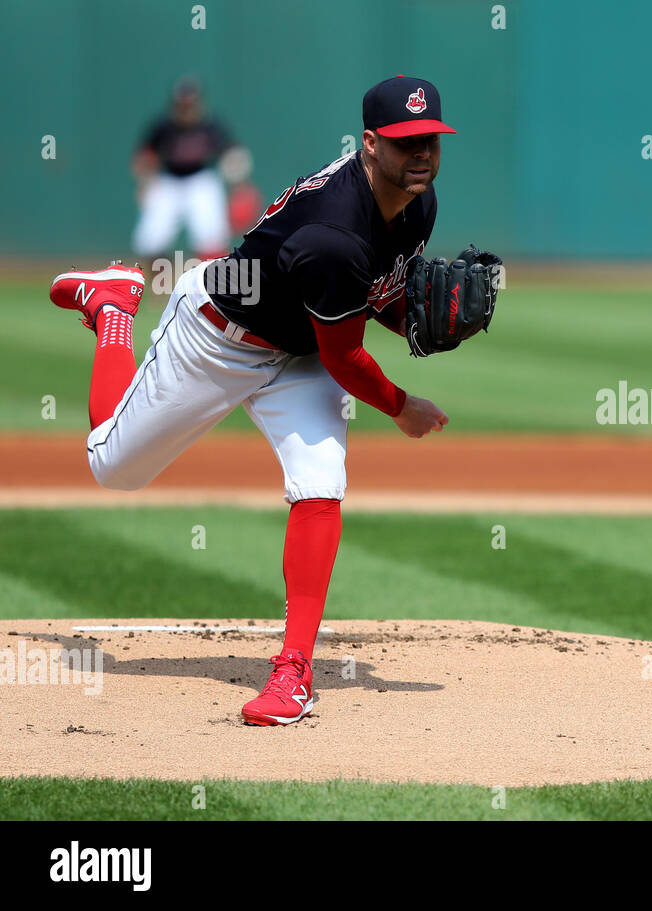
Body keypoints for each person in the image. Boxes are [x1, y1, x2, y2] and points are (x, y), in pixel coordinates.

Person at [50, 75, 496, 726]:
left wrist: (426, 322)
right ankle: (114, 307)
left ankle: (293, 672)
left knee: (320, 480)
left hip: (299, 352)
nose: (421, 153)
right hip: (217, 338)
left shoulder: (418, 203)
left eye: (429, 139)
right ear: (370, 145)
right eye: (404, 143)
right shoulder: (334, 231)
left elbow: (377, 299)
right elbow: (345, 355)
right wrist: (401, 405)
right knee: (111, 464)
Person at [131, 77, 254, 263]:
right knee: (150, 241)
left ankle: (212, 282)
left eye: (191, 104)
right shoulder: (163, 127)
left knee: (212, 237)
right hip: (168, 181)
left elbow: (232, 155)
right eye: (183, 105)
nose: (187, 109)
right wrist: (144, 185)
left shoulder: (210, 126)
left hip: (201, 181)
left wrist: (240, 187)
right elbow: (145, 157)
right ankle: (159, 283)